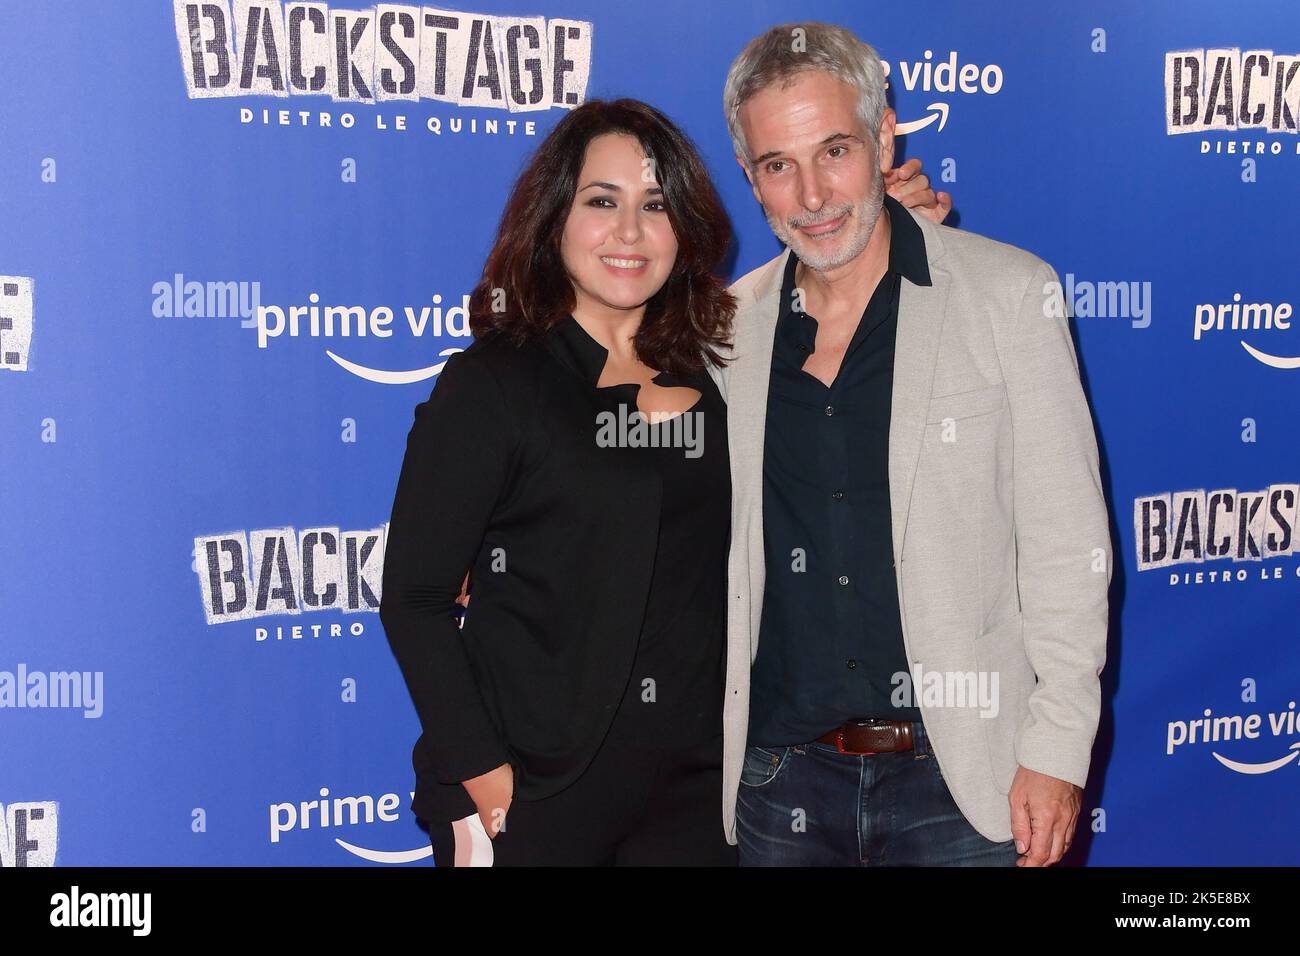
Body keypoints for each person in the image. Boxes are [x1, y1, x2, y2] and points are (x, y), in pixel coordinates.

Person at [379, 95, 952, 866]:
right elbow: (413, 599)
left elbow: (804, 289)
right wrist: (483, 778)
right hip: (535, 794)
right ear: (554, 217)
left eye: (655, 205)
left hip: (698, 798)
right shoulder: (494, 384)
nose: (628, 232)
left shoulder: (717, 365)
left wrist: (873, 225)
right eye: (601, 202)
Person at [712, 22, 1111, 867]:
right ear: (749, 178)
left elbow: (1066, 546)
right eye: (779, 166)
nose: (814, 195)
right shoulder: (725, 333)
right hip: (778, 788)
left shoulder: (1009, 295)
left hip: (965, 784)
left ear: (884, 135)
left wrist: (1056, 749)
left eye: (836, 151)